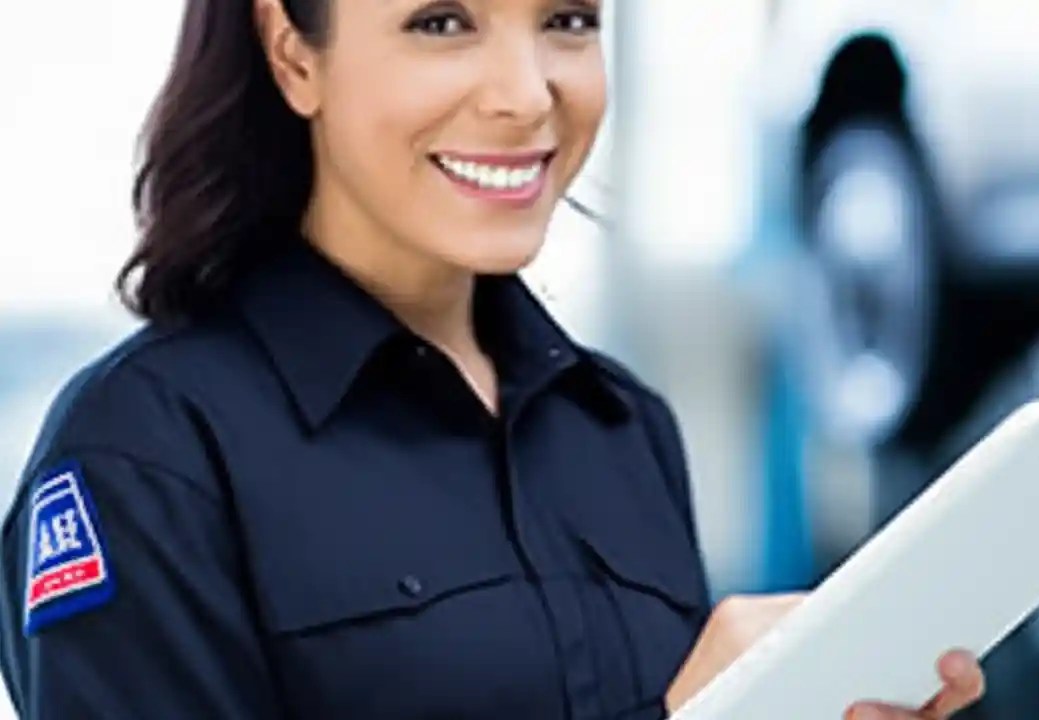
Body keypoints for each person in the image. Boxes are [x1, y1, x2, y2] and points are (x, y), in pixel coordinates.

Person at [0, 1, 986, 718]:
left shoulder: (620, 429)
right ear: (292, 51)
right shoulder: (145, 455)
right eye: (440, 22)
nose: (526, 97)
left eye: (566, 19)